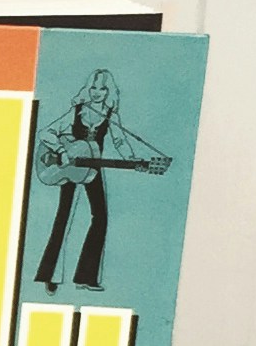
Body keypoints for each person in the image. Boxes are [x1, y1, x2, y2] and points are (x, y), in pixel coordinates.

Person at [33, 66, 168, 292]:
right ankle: (50, 275)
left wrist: (132, 159)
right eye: (93, 87)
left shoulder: (110, 116)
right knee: (63, 217)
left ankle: (86, 277)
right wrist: (62, 150)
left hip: (93, 169)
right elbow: (45, 132)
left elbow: (120, 141)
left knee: (100, 217)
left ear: (109, 92)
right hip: (70, 168)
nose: (97, 92)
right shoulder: (77, 111)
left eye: (102, 89)